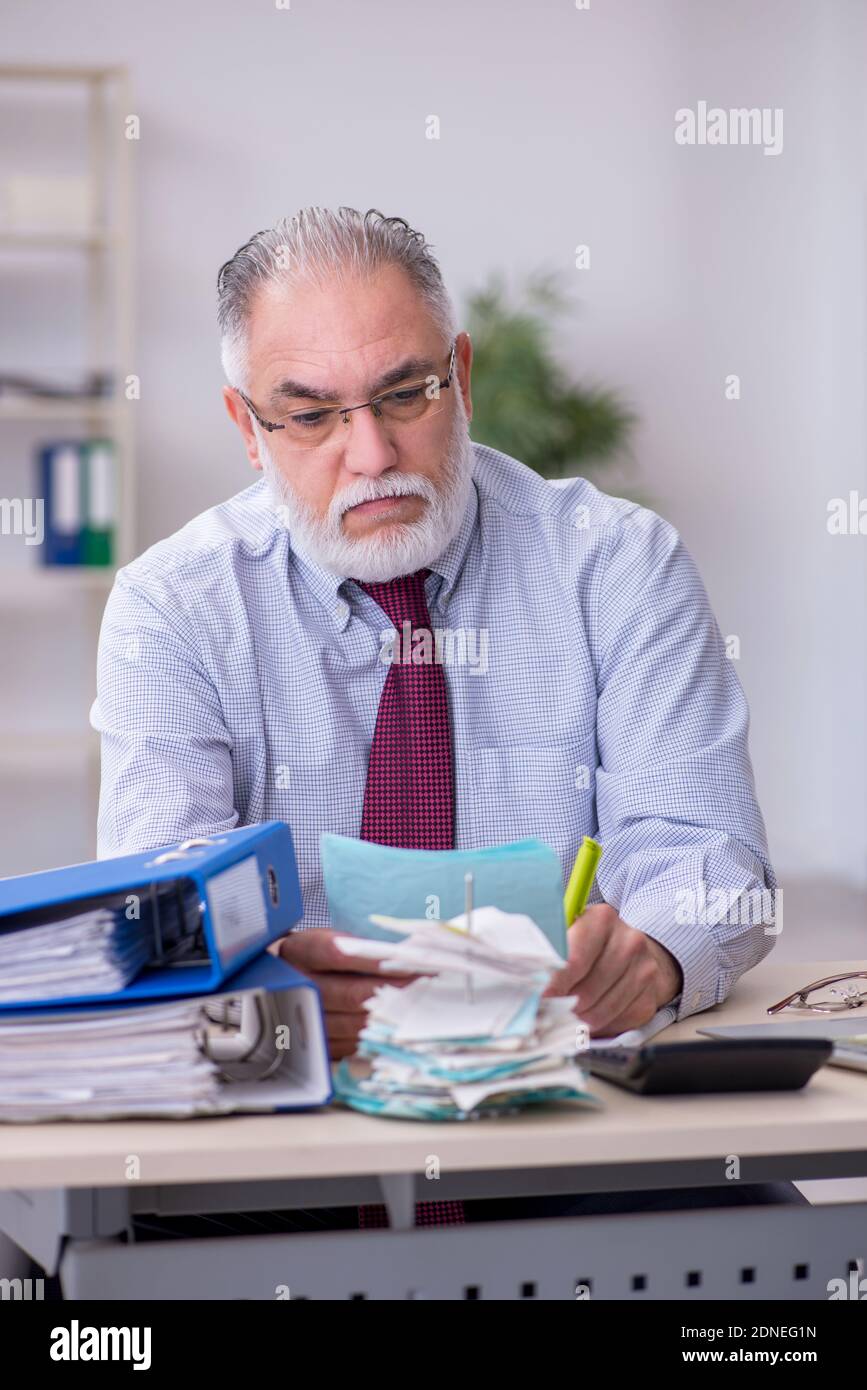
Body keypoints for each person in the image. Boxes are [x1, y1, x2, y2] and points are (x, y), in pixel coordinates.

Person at [91, 207, 799, 1224]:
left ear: (459, 375)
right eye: (313, 414)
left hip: (567, 1112)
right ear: (247, 427)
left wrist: (650, 953)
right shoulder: (175, 608)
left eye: (404, 393)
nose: (373, 454)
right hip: (289, 1126)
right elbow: (163, 899)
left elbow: (711, 856)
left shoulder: (618, 566)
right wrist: (255, 980)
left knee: (783, 1256)